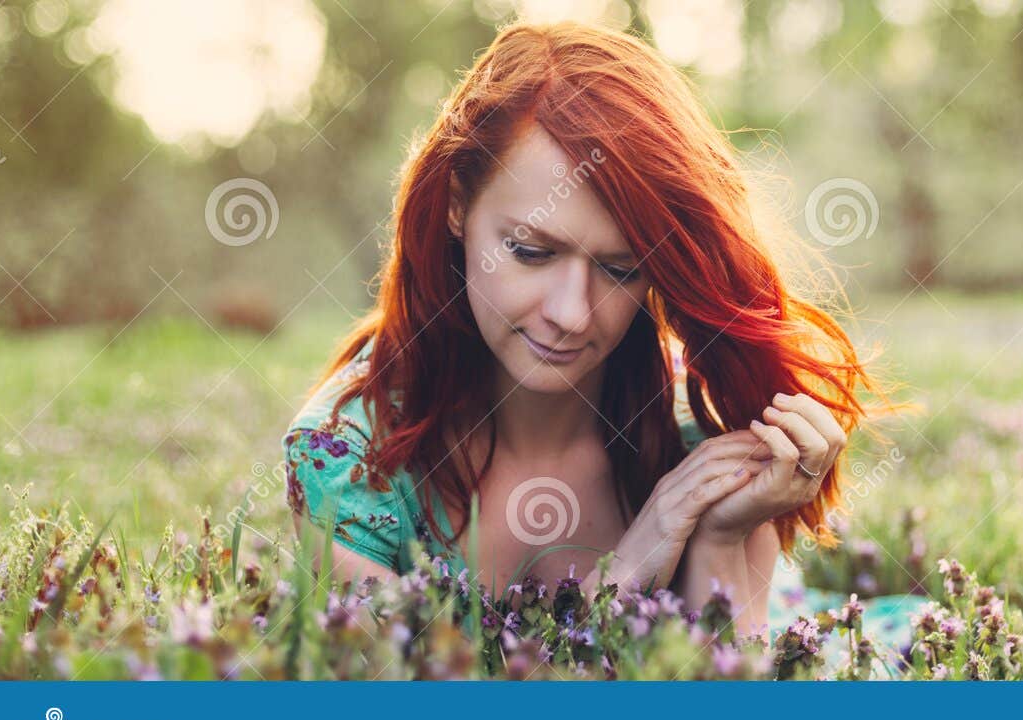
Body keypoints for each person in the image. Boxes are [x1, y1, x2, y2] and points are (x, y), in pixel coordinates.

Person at [283, 20, 918, 653]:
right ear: (456, 207)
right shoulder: (344, 462)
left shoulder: (700, 431)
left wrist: (720, 541)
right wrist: (626, 574)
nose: (572, 313)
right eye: (532, 251)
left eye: (621, 269)